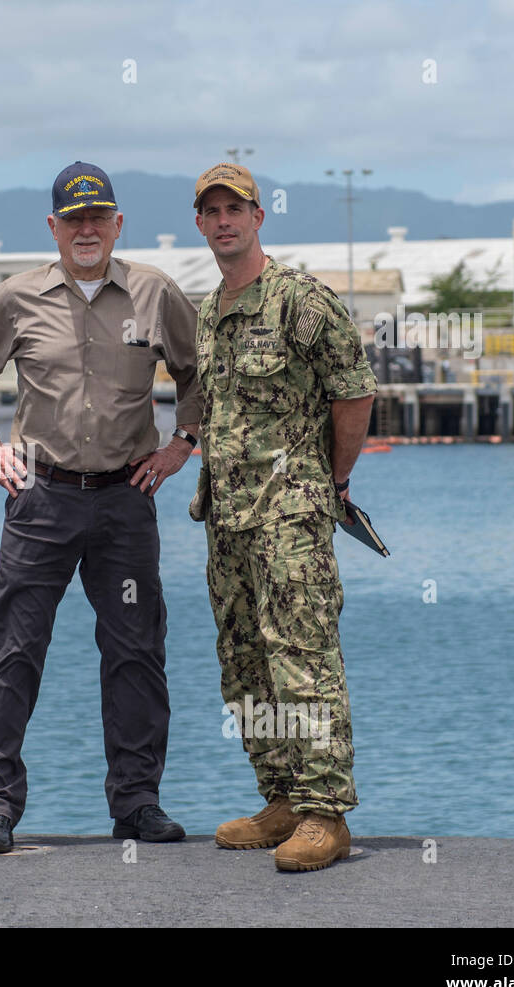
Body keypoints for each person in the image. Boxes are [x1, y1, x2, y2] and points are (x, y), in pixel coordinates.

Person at [0, 161, 203, 854]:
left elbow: (198, 369)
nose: (87, 230)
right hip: (42, 500)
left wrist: (182, 444)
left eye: (100, 218)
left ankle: (138, 805)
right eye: (74, 219)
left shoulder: (155, 292)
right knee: (13, 652)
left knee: (135, 654)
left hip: (126, 499)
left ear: (118, 224)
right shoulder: (17, 298)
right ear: (54, 228)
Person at [187, 162, 376, 871]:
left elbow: (353, 395)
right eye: (212, 211)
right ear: (200, 224)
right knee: (245, 664)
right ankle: (283, 799)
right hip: (228, 519)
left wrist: (332, 480)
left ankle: (326, 812)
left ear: (258, 217)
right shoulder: (210, 312)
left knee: (302, 658)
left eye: (236, 208)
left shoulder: (302, 301)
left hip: (290, 515)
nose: (225, 220)